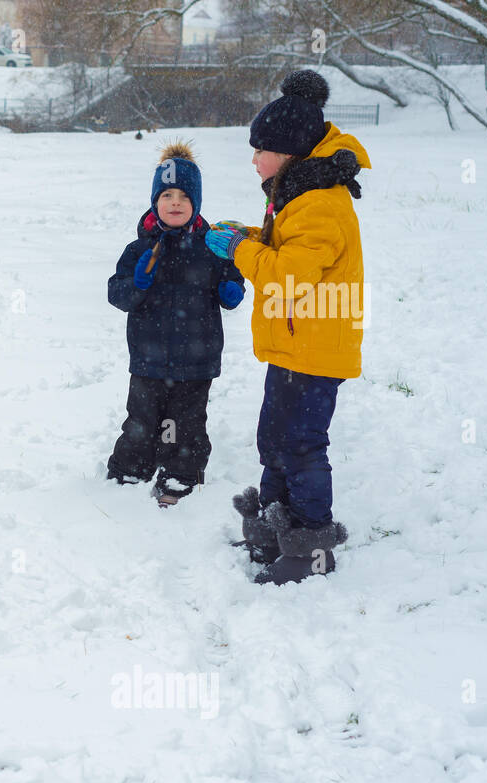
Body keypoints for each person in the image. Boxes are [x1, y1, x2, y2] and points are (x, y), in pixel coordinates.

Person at [205, 69, 370, 584]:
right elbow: (287, 248)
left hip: (315, 352)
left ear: (289, 152)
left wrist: (241, 249)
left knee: (300, 445)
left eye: (260, 150)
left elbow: (286, 275)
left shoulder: (320, 203)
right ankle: (274, 528)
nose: (253, 159)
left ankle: (312, 546)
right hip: (294, 347)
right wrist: (251, 233)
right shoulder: (300, 194)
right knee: (273, 439)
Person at [106, 142, 245, 506]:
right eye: (167, 194)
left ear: (195, 203)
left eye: (184, 195)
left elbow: (231, 287)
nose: (175, 202)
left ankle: (180, 477)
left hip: (196, 359)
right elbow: (117, 296)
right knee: (141, 420)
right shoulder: (139, 249)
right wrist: (135, 284)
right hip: (149, 359)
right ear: (155, 200)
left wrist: (232, 286)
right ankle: (130, 470)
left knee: (186, 425)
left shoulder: (211, 247)